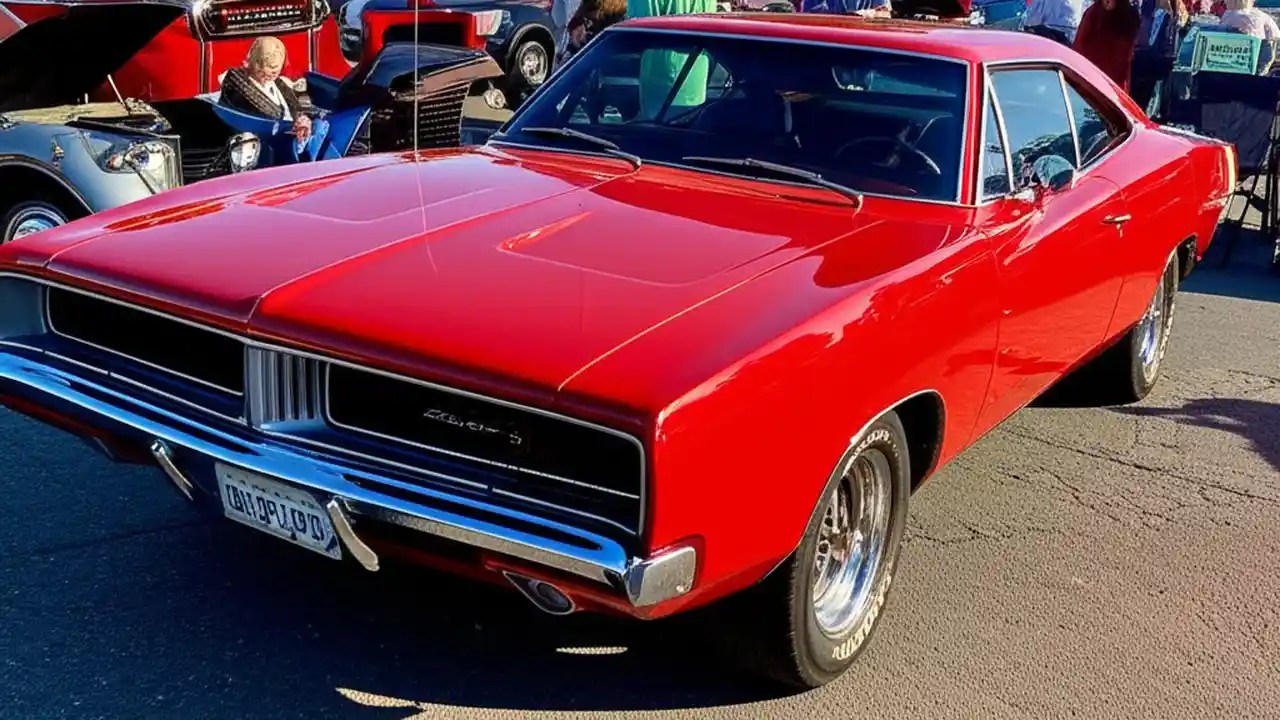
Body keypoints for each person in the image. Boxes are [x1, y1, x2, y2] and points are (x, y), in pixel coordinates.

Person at [628, 0, 717, 118]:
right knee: (690, 123)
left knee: (656, 128)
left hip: (659, 72)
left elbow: (637, 27)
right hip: (696, 70)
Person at [218, 36, 313, 143]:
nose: (268, 77)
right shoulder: (235, 78)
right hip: (256, 141)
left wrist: (302, 119)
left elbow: (295, 107)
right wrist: (292, 125)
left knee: (320, 126)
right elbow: (270, 114)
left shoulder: (279, 83)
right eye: (263, 72)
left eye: (274, 73)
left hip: (289, 136)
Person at [1074, 0, 1142, 90]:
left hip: (1112, 88)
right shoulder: (1093, 14)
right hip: (1088, 82)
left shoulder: (1130, 18)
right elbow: (1079, 48)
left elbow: (1126, 59)